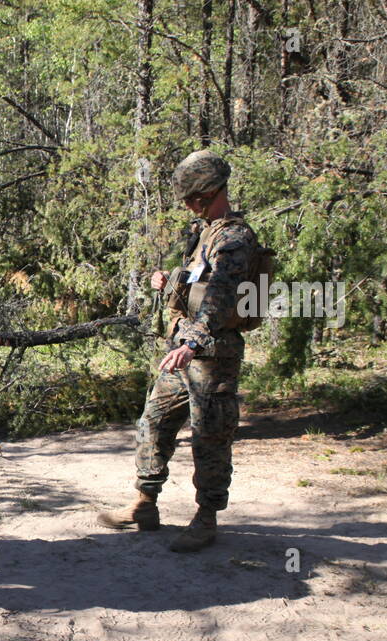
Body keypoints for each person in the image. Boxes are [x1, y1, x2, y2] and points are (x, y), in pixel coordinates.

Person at [98, 150, 259, 552]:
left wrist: (193, 342)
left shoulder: (235, 238)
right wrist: (168, 281)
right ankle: (145, 504)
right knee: (154, 421)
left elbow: (221, 296)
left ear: (208, 193)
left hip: (211, 355)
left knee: (210, 436)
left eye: (191, 197)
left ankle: (207, 518)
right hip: (182, 351)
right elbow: (195, 283)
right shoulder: (203, 232)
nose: (186, 204)